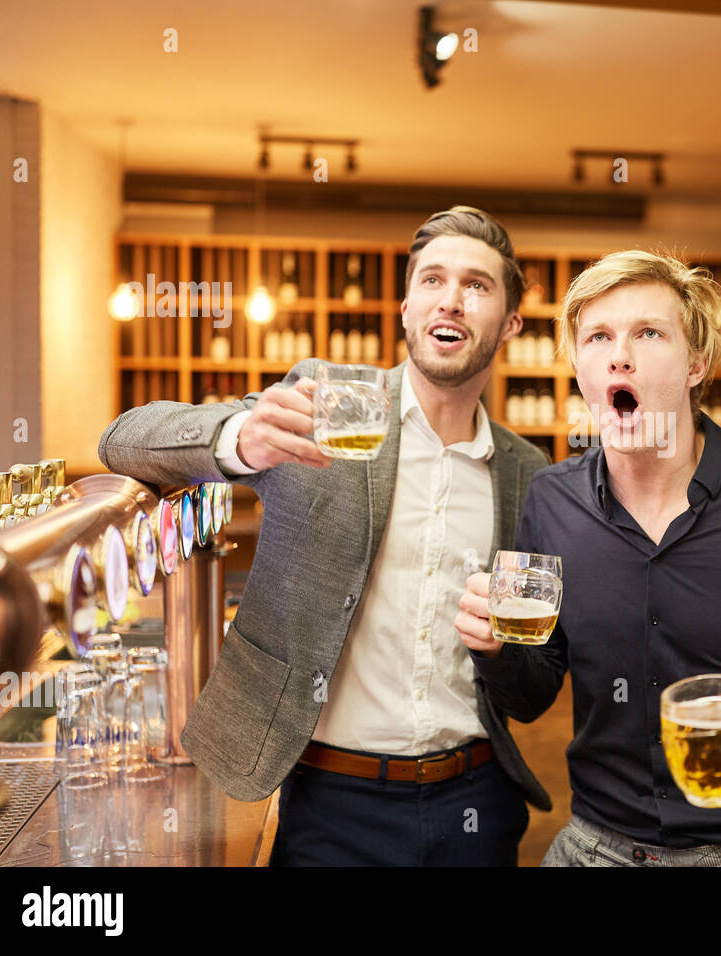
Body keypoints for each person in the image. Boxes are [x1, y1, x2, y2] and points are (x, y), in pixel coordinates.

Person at [97, 206, 552, 866]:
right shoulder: (329, 412)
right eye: (432, 280)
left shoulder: (528, 475)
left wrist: (501, 651)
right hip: (332, 807)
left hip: (477, 806)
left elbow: (532, 693)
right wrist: (237, 440)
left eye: (477, 286)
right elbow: (123, 441)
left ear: (510, 321)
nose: (451, 300)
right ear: (405, 306)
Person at [454, 250, 721, 867]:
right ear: (580, 366)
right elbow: (530, 694)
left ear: (696, 364)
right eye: (598, 336)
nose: (618, 355)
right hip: (593, 846)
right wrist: (495, 649)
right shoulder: (552, 500)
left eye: (648, 333)